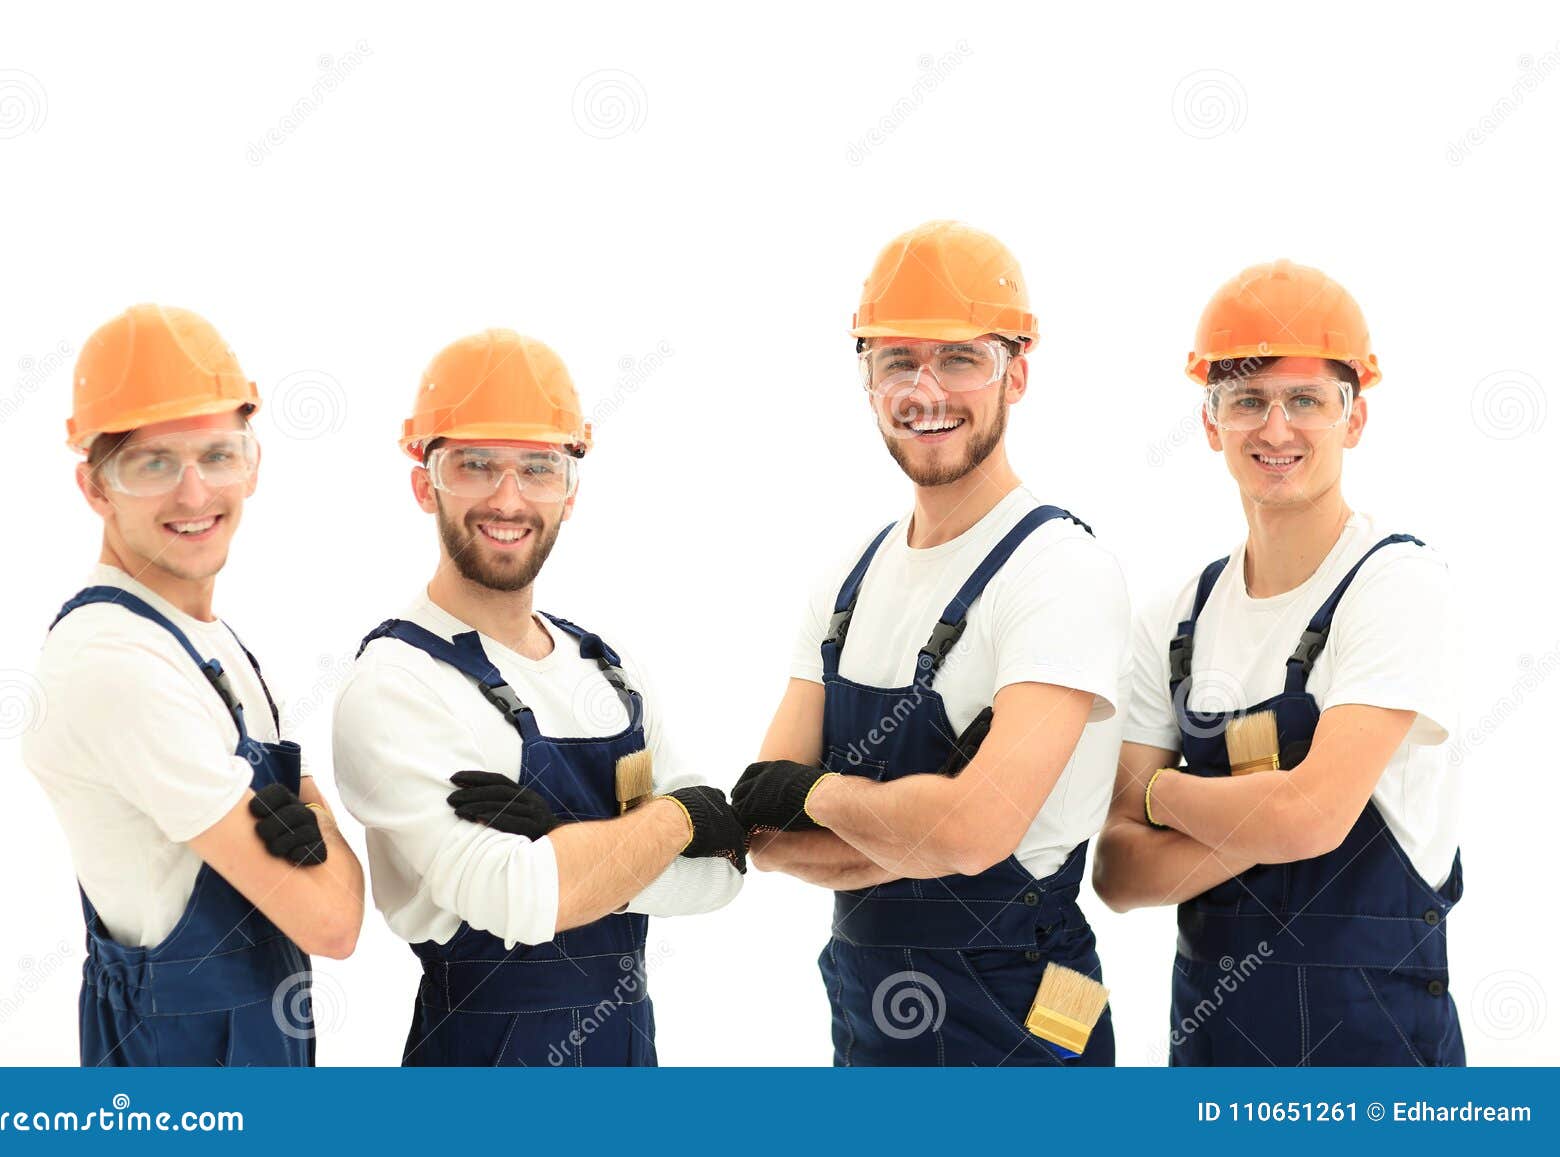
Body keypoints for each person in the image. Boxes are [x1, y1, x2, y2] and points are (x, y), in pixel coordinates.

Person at [735, 221, 1130, 1065]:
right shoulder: (847, 579)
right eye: (897, 361)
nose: (926, 389)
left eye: (960, 359)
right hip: (866, 1018)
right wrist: (922, 821)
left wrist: (818, 795)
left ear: (1015, 372)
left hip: (1022, 1023)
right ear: (867, 379)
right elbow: (763, 837)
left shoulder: (1059, 571)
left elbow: (976, 831)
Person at [333, 328, 745, 1066]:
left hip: (629, 1057)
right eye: (476, 465)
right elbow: (519, 898)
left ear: (570, 489)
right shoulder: (396, 684)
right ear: (424, 482)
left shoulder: (609, 672)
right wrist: (675, 820)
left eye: (538, 467)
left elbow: (723, 874)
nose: (508, 496)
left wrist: (567, 842)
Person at [1092, 260, 1465, 1066]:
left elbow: (1315, 818)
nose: (1275, 428)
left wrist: (1160, 793)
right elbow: (1118, 872)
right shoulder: (1176, 618)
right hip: (1214, 1054)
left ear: (1354, 417)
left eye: (1305, 400)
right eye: (1247, 399)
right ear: (1209, 420)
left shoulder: (1395, 584)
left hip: (1378, 1059)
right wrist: (1282, 805)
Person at [24, 303, 364, 1067]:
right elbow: (333, 922)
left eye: (218, 454)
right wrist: (324, 827)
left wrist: (311, 823)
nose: (193, 492)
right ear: (94, 485)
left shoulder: (202, 639)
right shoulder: (115, 663)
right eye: (152, 462)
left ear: (254, 461)